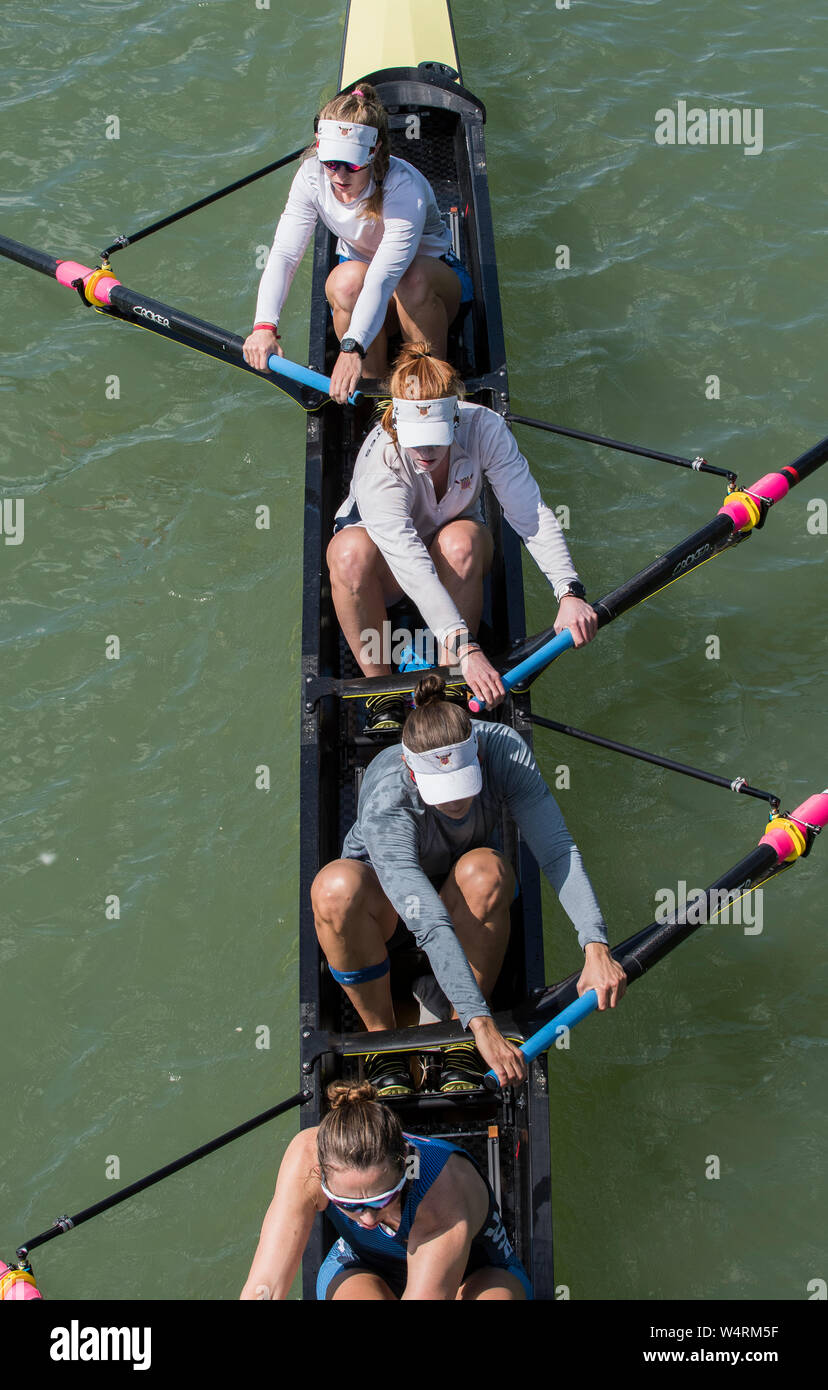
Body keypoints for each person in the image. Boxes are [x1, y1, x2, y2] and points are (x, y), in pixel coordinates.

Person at [311, 675, 626, 1094]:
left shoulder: (504, 750)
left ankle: (454, 1028)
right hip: (387, 913)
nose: (455, 801)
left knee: (489, 872)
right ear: (410, 768)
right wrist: (485, 1024)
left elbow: (557, 852)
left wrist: (596, 946)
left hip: (461, 900)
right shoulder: (389, 798)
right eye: (442, 790)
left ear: (476, 748)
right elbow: (429, 922)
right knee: (333, 888)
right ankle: (384, 1043)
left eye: (463, 782)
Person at [327, 342, 598, 733]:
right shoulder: (380, 464)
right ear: (396, 424)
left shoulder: (485, 427)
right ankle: (381, 692)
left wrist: (569, 591)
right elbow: (412, 566)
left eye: (435, 436)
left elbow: (530, 513)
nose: (424, 450)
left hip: (450, 554)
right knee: (348, 553)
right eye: (415, 437)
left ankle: (447, 684)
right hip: (388, 567)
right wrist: (468, 646)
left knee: (463, 543)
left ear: (456, 418)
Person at [242, 84, 471, 404]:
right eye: (330, 163)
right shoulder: (311, 177)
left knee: (412, 278)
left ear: (374, 152)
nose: (338, 175)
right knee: (344, 282)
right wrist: (264, 326)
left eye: (350, 165)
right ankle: (376, 398)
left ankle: (426, 392)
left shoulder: (403, 188)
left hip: (433, 289)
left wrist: (350, 347)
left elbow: (385, 277)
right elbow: (283, 255)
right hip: (373, 296)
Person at [240, 1080, 532, 1301]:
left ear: (404, 1164)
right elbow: (264, 1286)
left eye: (382, 1199)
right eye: (349, 1205)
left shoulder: (442, 1196)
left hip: (478, 1273)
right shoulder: (305, 1156)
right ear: (321, 1177)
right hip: (364, 1266)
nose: (367, 1220)